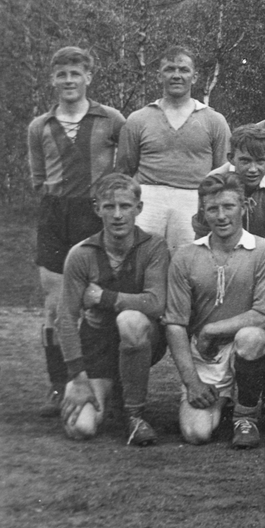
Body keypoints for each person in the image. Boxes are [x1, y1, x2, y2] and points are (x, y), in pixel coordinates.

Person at [27, 46, 125, 417]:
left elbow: (127, 164)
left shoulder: (112, 118)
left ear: (88, 77)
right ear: (53, 80)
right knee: (55, 306)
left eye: (75, 74)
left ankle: (109, 382)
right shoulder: (40, 126)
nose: (69, 81)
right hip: (54, 216)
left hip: (94, 215)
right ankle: (58, 385)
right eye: (62, 75)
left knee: (98, 302)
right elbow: (39, 177)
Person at [163, 173, 265, 449]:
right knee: (197, 434)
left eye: (228, 206)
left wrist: (210, 329)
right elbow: (175, 324)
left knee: (252, 338)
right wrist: (192, 382)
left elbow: (264, 314)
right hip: (205, 355)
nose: (221, 215)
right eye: (212, 208)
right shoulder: (185, 256)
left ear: (244, 206)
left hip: (243, 344)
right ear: (203, 212)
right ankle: (222, 402)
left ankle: (245, 414)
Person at [193, 125, 265, 431]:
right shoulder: (213, 181)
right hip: (226, 260)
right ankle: (225, 393)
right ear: (230, 158)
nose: (253, 168)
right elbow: (203, 235)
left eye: (260, 160)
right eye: (244, 161)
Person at [56, 173, 169, 445]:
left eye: (125, 206)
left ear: (138, 208)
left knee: (130, 320)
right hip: (97, 347)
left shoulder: (154, 246)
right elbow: (66, 319)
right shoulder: (81, 254)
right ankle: (109, 390)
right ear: (97, 209)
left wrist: (104, 297)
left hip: (141, 339)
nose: (118, 215)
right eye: (109, 207)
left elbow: (155, 303)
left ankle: (134, 415)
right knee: (80, 428)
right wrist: (78, 378)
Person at [117, 45, 231, 252]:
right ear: (159, 76)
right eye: (170, 69)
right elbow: (124, 171)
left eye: (183, 70)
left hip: (194, 199)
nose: (176, 76)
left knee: (189, 265)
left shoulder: (214, 121)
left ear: (194, 77)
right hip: (148, 199)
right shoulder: (138, 119)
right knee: (141, 260)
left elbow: (223, 172)